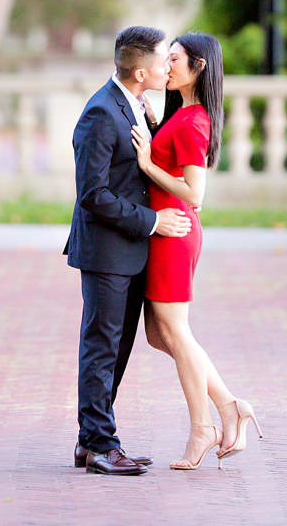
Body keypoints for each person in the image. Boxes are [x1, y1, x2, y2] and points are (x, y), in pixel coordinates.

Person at [65, 25, 193, 476]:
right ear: (141, 72)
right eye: (163, 61)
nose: (168, 67)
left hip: (131, 252)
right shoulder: (101, 113)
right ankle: (102, 446)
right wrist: (154, 222)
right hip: (107, 252)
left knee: (115, 350)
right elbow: (94, 194)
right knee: (101, 348)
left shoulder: (136, 104)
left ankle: (91, 441)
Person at [131, 32, 263, 470]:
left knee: (176, 332)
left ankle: (203, 427)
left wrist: (148, 164)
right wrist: (153, 129)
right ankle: (230, 405)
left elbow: (193, 189)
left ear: (199, 66)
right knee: (160, 334)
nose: (166, 66)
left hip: (173, 232)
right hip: (165, 229)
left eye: (175, 60)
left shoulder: (194, 121)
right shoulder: (181, 114)